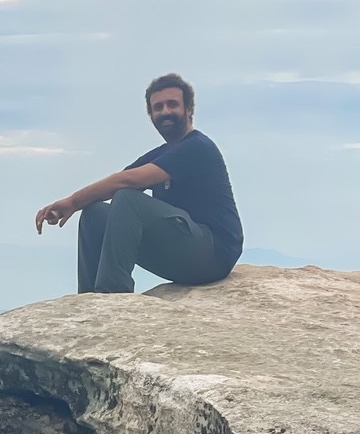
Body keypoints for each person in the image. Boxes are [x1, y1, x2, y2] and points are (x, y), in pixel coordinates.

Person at [35, 73, 243, 293]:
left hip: (213, 254)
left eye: (173, 105)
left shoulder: (198, 147)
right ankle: (88, 301)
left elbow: (127, 181)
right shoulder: (163, 154)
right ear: (151, 115)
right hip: (184, 249)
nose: (165, 112)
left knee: (128, 198)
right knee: (94, 214)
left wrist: (72, 202)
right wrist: (78, 205)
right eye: (158, 107)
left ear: (189, 109)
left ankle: (112, 293)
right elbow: (116, 183)